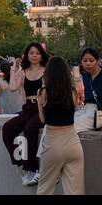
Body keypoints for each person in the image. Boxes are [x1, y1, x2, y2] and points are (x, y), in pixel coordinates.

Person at [0, 42, 48, 187]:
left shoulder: (46, 71)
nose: (34, 55)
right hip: (28, 108)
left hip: (42, 107)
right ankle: (21, 162)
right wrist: (13, 69)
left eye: (37, 53)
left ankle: (32, 169)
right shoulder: (23, 71)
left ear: (41, 55)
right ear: (27, 55)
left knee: (30, 128)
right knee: (8, 128)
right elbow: (13, 88)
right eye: (31, 53)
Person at [36, 57, 83, 195]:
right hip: (74, 143)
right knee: (75, 191)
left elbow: (42, 118)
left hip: (53, 143)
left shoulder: (43, 92)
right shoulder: (72, 92)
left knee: (45, 189)